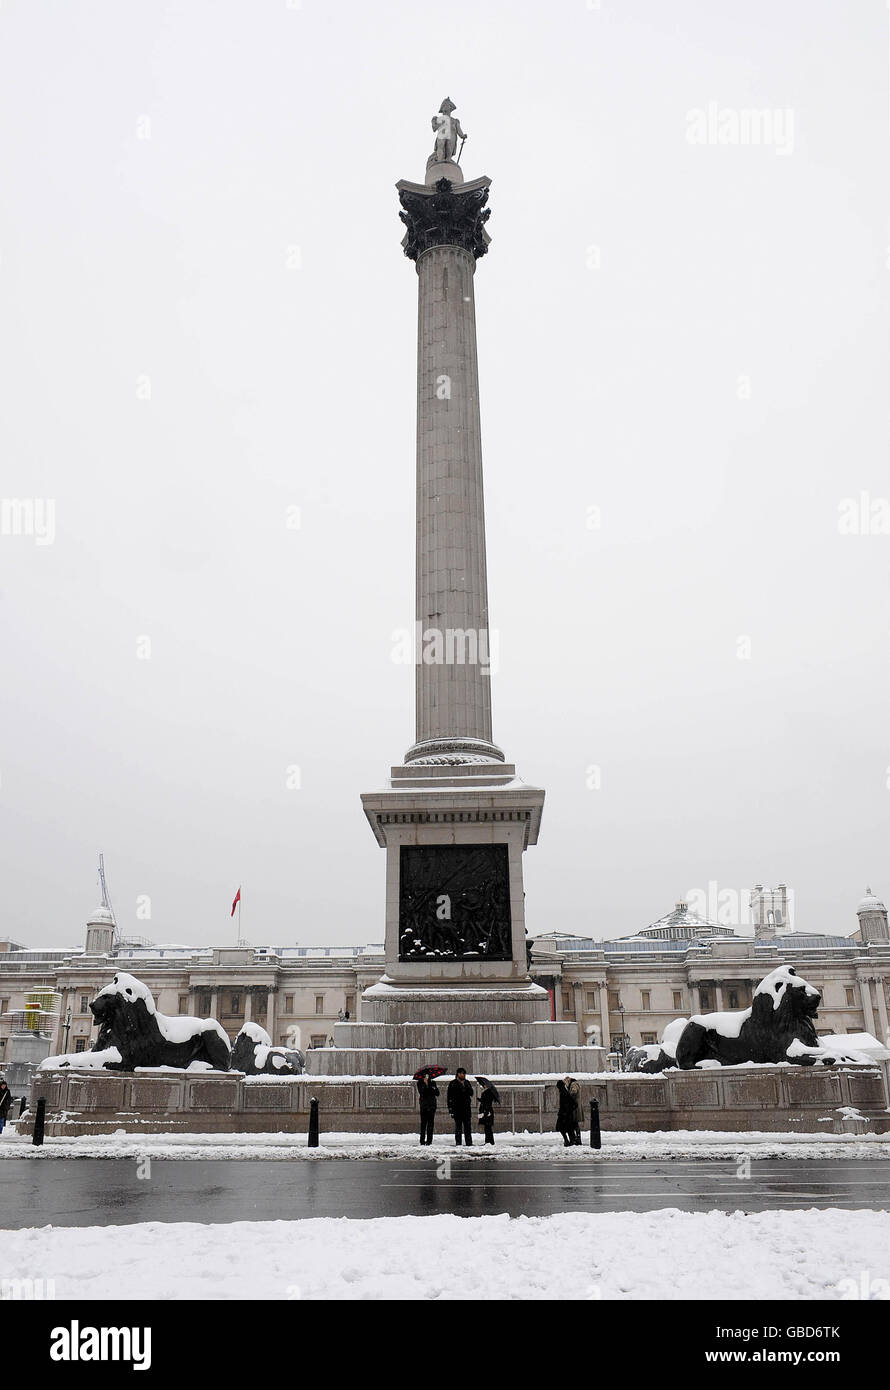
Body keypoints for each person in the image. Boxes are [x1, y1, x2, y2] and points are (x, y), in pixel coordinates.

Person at [447, 1067, 474, 1146]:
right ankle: (458, 1143)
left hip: (466, 1108)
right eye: (461, 1073)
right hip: (457, 1108)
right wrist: (450, 1109)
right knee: (458, 1127)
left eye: (464, 1073)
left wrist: (466, 1087)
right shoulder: (453, 1083)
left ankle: (469, 1143)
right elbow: (449, 1097)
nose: (463, 1075)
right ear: (458, 1074)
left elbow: (471, 1093)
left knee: (467, 1128)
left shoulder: (467, 1083)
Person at [417, 1071, 439, 1146]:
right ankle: (422, 1140)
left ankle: (429, 1141)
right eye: (425, 1075)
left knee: (430, 1124)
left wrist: (429, 1086)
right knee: (423, 1124)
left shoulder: (433, 1082)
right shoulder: (420, 1082)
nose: (427, 1076)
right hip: (424, 1106)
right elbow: (422, 1092)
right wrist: (426, 1085)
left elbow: (437, 1093)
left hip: (432, 1105)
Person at [555, 1078, 573, 1147]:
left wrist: (564, 1111)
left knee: (560, 1127)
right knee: (566, 1128)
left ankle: (567, 1141)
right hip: (565, 1114)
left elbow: (565, 1104)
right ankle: (568, 1140)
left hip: (564, 1114)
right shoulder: (565, 1092)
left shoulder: (563, 1093)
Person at [566, 1076, 583, 1145]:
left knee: (574, 1123)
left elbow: (574, 1091)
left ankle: (577, 1139)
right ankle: (577, 1138)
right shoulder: (575, 1083)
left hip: (574, 1108)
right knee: (575, 1124)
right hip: (575, 1107)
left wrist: (568, 1096)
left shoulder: (573, 1084)